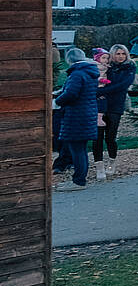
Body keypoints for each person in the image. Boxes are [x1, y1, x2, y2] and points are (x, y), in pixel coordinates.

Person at [54, 48, 100, 191]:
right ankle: (80, 179)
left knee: (77, 150)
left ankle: (79, 181)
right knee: (81, 149)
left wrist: (57, 101)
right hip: (87, 115)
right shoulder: (89, 73)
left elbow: (72, 94)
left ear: (69, 60)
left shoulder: (77, 74)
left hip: (76, 117)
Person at [92, 45, 136, 181]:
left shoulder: (129, 68)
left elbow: (122, 86)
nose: (121, 56)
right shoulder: (105, 66)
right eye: (118, 54)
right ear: (112, 55)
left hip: (115, 105)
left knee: (110, 136)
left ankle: (112, 161)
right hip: (100, 104)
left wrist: (100, 91)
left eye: (123, 53)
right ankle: (99, 166)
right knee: (97, 137)